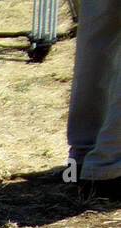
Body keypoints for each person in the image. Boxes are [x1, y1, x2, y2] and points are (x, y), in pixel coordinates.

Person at [67, 0, 121, 197]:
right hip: (109, 164)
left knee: (98, 29)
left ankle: (78, 164)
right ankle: (109, 167)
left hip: (80, 155)